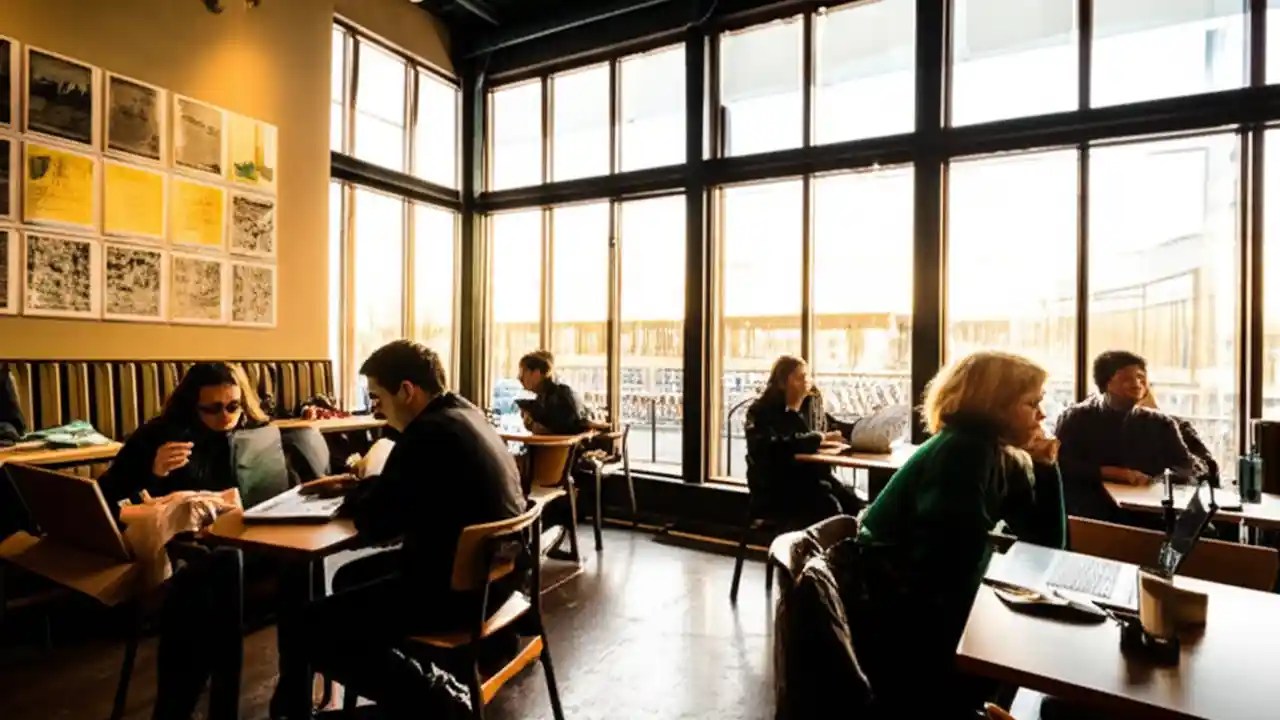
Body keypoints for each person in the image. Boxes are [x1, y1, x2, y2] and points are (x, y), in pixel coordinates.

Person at [300, 340, 524, 719]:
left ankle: (437, 701)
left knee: (311, 626)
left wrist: (358, 497)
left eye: (377, 398)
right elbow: (418, 495)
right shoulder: (463, 413)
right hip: (498, 578)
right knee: (352, 577)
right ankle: (414, 682)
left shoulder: (427, 434)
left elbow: (378, 525)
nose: (376, 409)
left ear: (406, 391)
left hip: (458, 593)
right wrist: (360, 487)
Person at [851, 351, 1065, 715]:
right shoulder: (962, 453)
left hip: (922, 608)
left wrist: (1046, 469)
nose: (1042, 416)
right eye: (1032, 404)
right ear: (996, 406)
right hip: (902, 627)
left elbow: (1045, 545)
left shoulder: (997, 453)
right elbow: (945, 571)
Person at [99, 362, 271, 720]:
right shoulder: (158, 435)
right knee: (210, 576)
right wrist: (153, 472)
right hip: (181, 558)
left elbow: (277, 483)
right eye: (212, 408)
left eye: (233, 406)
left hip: (254, 545)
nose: (225, 416)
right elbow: (106, 494)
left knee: (234, 572)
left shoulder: (256, 432)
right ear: (190, 404)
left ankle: (286, 699)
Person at [1054, 351, 1208, 522]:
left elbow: (1187, 467)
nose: (1137, 384)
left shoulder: (1162, 423)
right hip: (1088, 515)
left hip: (1150, 515)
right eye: (1127, 378)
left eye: (1141, 377)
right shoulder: (1075, 418)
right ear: (1105, 383)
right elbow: (1060, 465)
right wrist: (1108, 473)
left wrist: (1156, 480)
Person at [743, 355, 864, 526]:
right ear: (781, 383)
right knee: (830, 507)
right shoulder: (761, 411)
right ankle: (825, 550)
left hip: (813, 480)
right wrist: (794, 408)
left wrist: (865, 429)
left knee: (856, 505)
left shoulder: (809, 406)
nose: (807, 383)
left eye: (807, 377)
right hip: (778, 488)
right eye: (800, 378)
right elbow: (779, 448)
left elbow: (830, 426)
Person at [516, 350, 590, 435]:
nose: (519, 378)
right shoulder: (546, 396)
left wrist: (532, 425)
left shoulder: (559, 397)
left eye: (524, 371)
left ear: (537, 373)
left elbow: (560, 433)